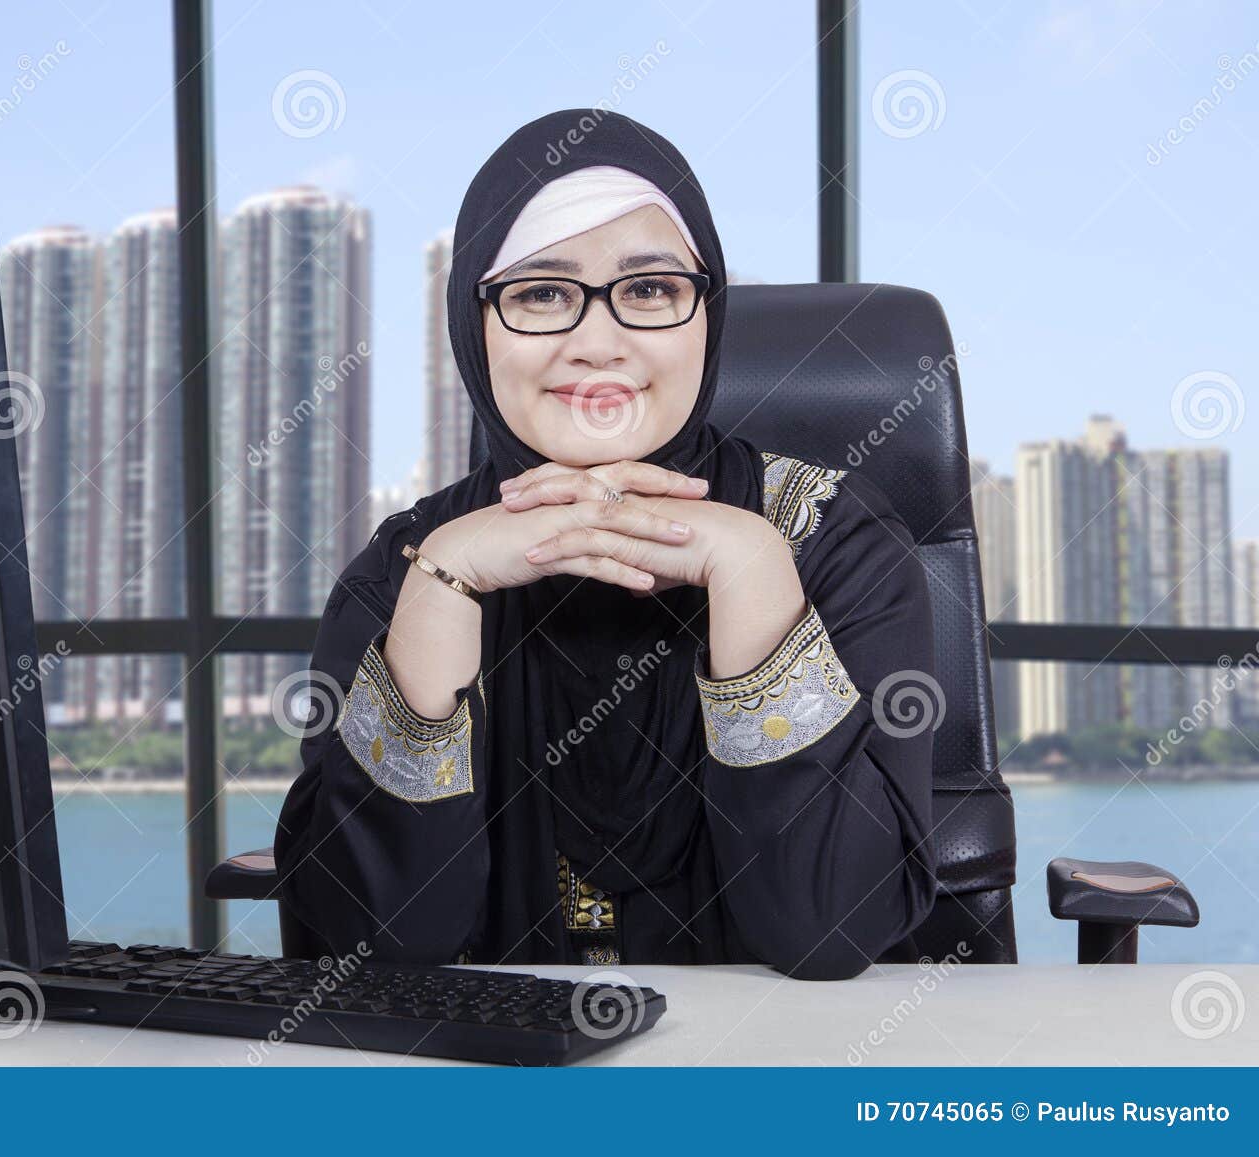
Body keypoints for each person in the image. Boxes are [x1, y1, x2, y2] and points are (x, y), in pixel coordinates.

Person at [272, 107, 938, 980]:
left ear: (709, 314)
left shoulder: (834, 540)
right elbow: (369, 951)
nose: (597, 341)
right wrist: (439, 591)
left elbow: (830, 935)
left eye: (650, 289)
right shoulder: (408, 563)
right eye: (542, 293)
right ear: (475, 328)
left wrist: (751, 570)